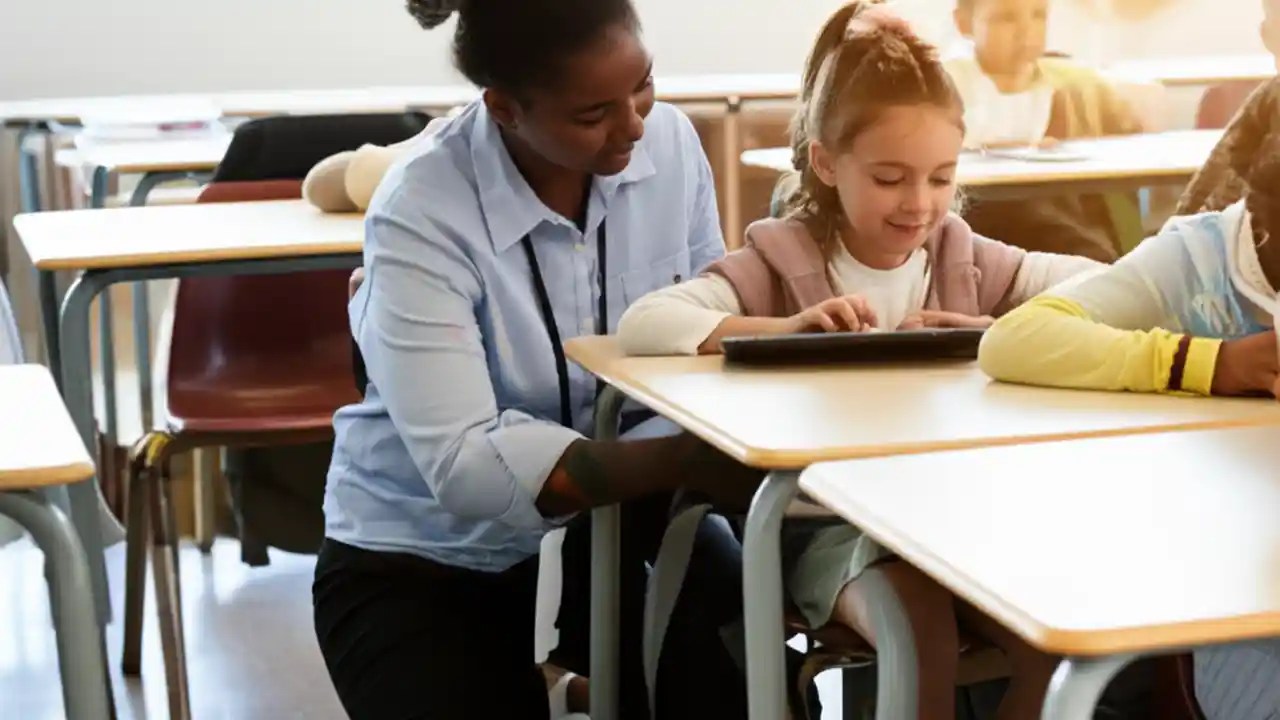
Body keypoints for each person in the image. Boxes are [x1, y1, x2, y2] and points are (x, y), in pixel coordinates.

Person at [617, 3, 1099, 716]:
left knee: (1059, 638)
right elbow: (645, 323)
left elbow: (1103, 285)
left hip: (954, 519)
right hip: (825, 529)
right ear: (825, 162)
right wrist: (785, 328)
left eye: (940, 178)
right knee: (917, 630)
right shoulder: (784, 256)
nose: (919, 204)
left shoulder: (961, 259)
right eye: (890, 178)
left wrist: (991, 327)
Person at [311, 1, 765, 718]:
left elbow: (701, 337)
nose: (635, 126)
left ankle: (578, 685)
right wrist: (684, 462)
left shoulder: (670, 147)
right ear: (505, 108)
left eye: (643, 86)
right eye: (593, 114)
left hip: (619, 521)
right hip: (425, 556)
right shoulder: (423, 205)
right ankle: (561, 688)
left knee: (738, 676)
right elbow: (466, 468)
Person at [982, 77, 1280, 720]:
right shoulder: (1199, 259)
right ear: (1264, 231)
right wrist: (1209, 363)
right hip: (1229, 599)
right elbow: (1013, 341)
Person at [945, 0, 1145, 262]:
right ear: (964, 24)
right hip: (973, 214)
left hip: (1056, 215)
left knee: (1085, 248)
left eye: (1038, 15)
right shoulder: (945, 83)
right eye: (1006, 18)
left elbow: (1130, 144)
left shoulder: (1078, 88)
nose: (1026, 31)